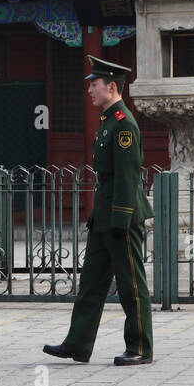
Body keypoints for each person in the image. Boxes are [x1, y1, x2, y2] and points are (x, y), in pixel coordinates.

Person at [43, 56, 153, 365]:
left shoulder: (124, 125)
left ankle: (141, 347)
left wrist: (119, 217)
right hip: (105, 216)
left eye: (95, 84)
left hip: (123, 216)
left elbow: (128, 176)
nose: (90, 89)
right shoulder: (108, 122)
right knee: (91, 282)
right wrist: (100, 215)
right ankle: (77, 343)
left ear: (112, 87)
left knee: (132, 285)